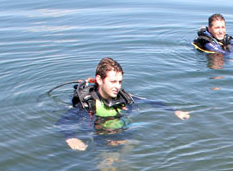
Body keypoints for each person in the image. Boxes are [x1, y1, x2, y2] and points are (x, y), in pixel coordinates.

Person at [58, 57, 190, 151]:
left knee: (127, 159)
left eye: (119, 82)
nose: (117, 87)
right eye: (113, 81)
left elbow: (149, 101)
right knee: (109, 165)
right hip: (102, 136)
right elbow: (64, 121)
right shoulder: (88, 103)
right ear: (99, 79)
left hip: (120, 130)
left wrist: (174, 110)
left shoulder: (122, 97)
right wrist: (71, 137)